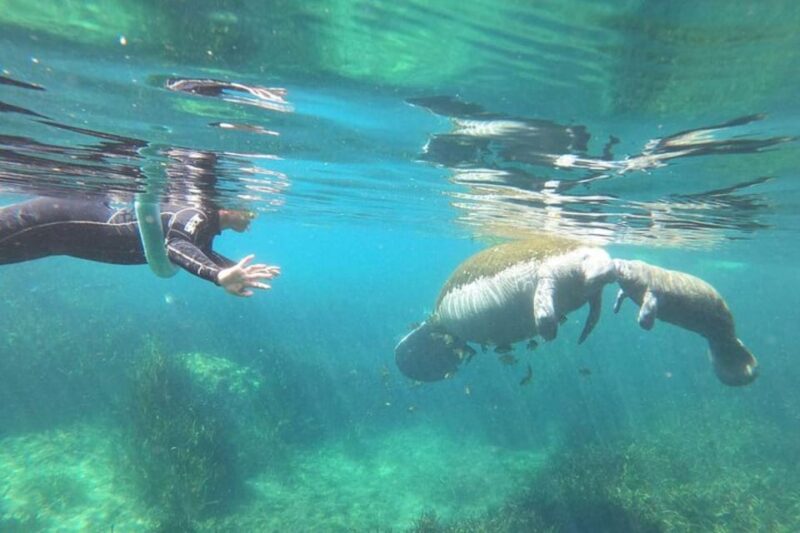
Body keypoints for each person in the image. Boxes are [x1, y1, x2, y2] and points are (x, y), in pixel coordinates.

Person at [0, 195, 280, 297]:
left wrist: (232, 269)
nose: (252, 218)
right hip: (56, 218)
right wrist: (218, 276)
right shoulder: (196, 213)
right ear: (229, 207)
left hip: (58, 234)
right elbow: (176, 246)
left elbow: (197, 251)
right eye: (251, 212)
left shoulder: (204, 226)